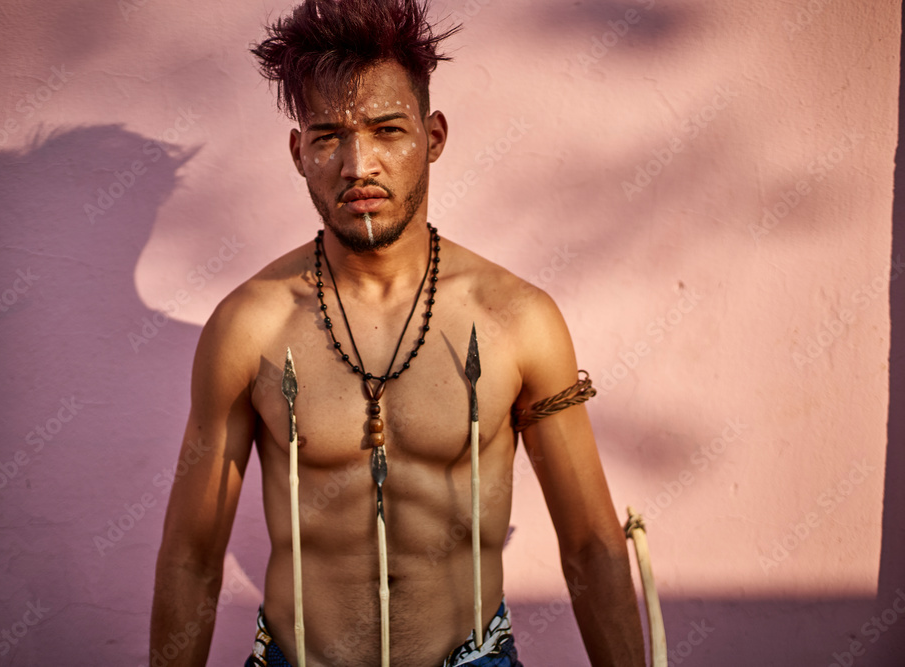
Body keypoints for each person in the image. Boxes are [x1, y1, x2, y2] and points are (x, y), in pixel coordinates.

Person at [150, 1, 645, 665]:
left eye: (387, 130)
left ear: (433, 136)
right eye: (329, 136)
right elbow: (191, 557)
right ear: (299, 152)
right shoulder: (249, 326)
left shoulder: (518, 319)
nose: (360, 165)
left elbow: (591, 542)